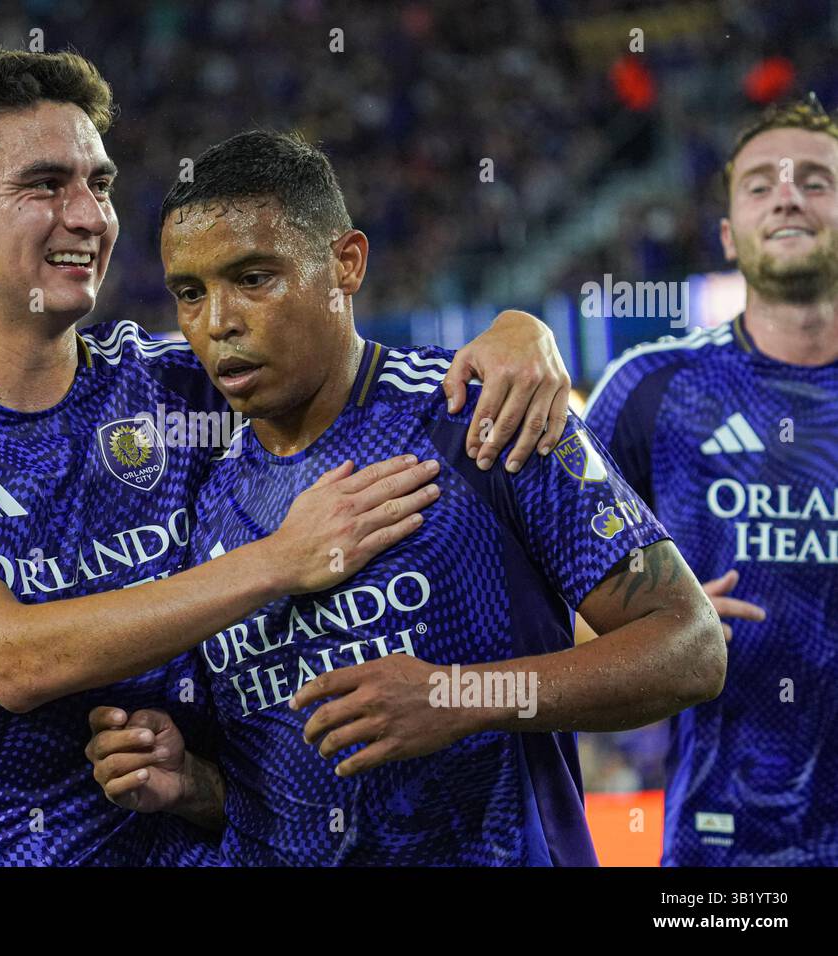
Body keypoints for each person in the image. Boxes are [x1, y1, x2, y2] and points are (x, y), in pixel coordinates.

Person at [0, 47, 572, 866]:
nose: (89, 217)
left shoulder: (179, 383)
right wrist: (280, 561)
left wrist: (512, 333)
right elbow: (12, 659)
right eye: (44, 186)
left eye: (98, 185)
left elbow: (337, 354)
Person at [85, 130, 726, 865]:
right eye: (190, 293)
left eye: (254, 277)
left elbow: (690, 648)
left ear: (346, 263)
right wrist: (192, 783)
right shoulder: (203, 501)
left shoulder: (481, 423)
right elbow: (277, 788)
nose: (218, 321)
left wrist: (458, 696)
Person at [583, 95, 838, 866]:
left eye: (816, 181)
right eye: (761, 184)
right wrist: (652, 623)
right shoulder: (651, 388)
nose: (787, 195)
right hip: (718, 850)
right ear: (729, 234)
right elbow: (532, 596)